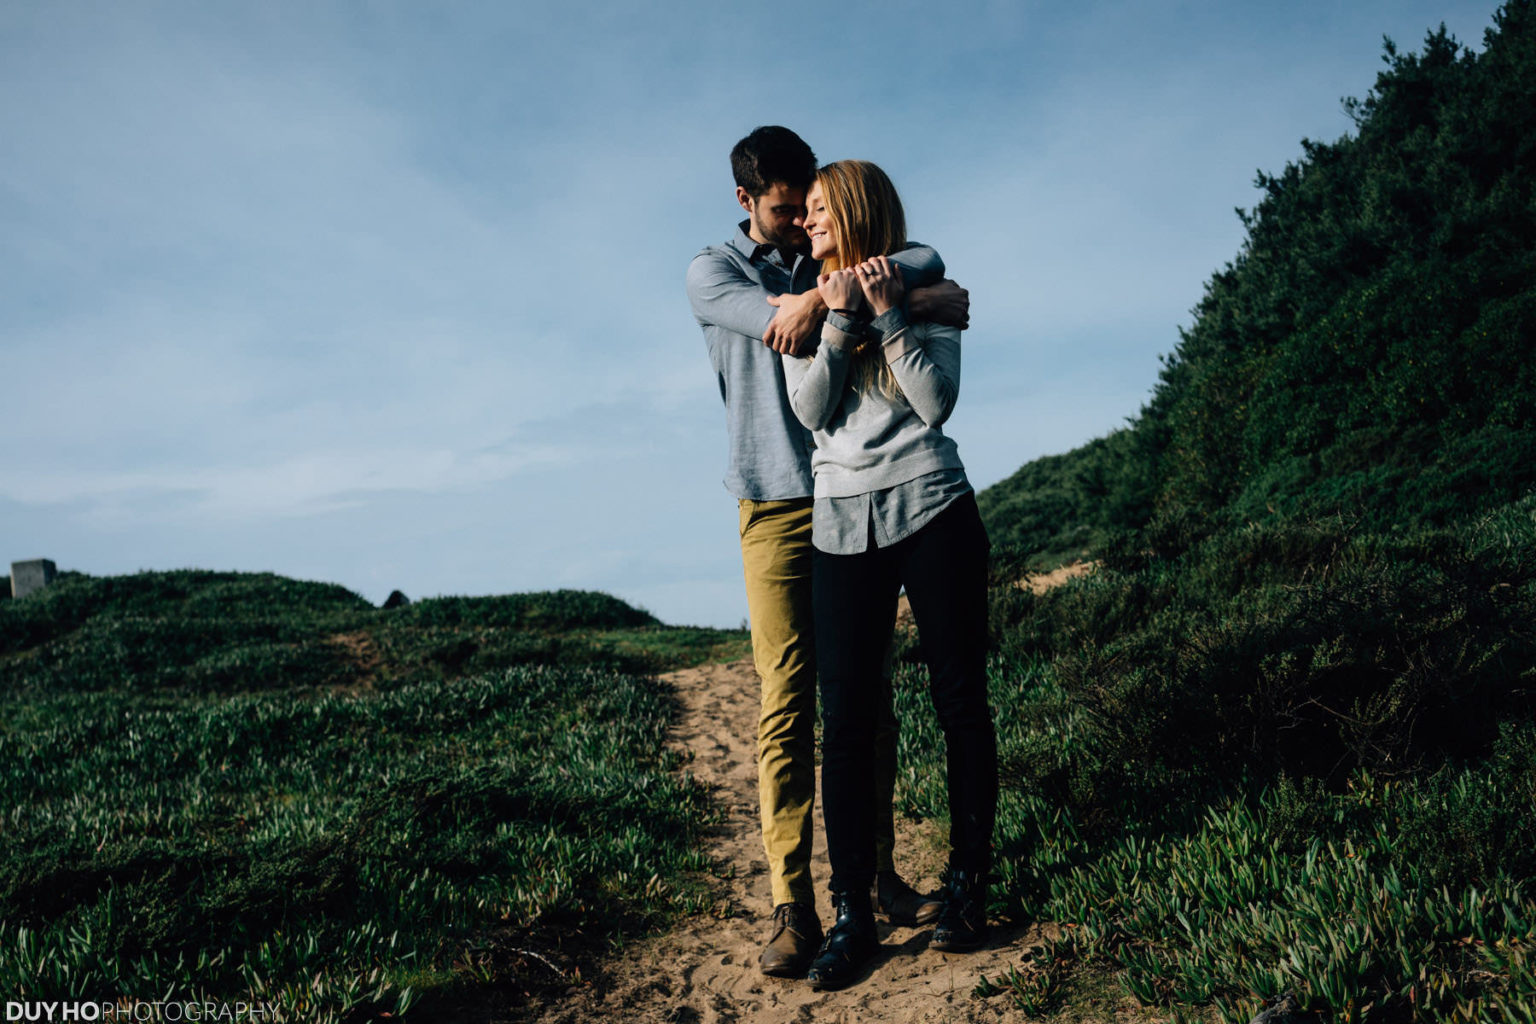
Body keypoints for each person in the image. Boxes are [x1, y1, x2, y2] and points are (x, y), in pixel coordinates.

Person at [685, 127, 970, 979]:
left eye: (809, 202)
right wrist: (900, 303)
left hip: (853, 495)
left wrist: (870, 292)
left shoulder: (824, 257)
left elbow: (920, 251)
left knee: (863, 700)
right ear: (746, 202)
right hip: (774, 499)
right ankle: (793, 905)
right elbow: (785, 328)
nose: (800, 217)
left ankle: (876, 878)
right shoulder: (714, 271)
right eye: (784, 206)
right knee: (788, 702)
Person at [781, 159, 998, 991]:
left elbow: (936, 402)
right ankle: (851, 916)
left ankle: (967, 892)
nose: (808, 224)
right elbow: (811, 411)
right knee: (846, 723)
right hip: (841, 523)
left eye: (820, 212)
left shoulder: (912, 286)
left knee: (959, 702)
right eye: (802, 214)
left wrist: (890, 315)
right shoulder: (812, 295)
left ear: (856, 212)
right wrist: (835, 322)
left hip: (934, 508)